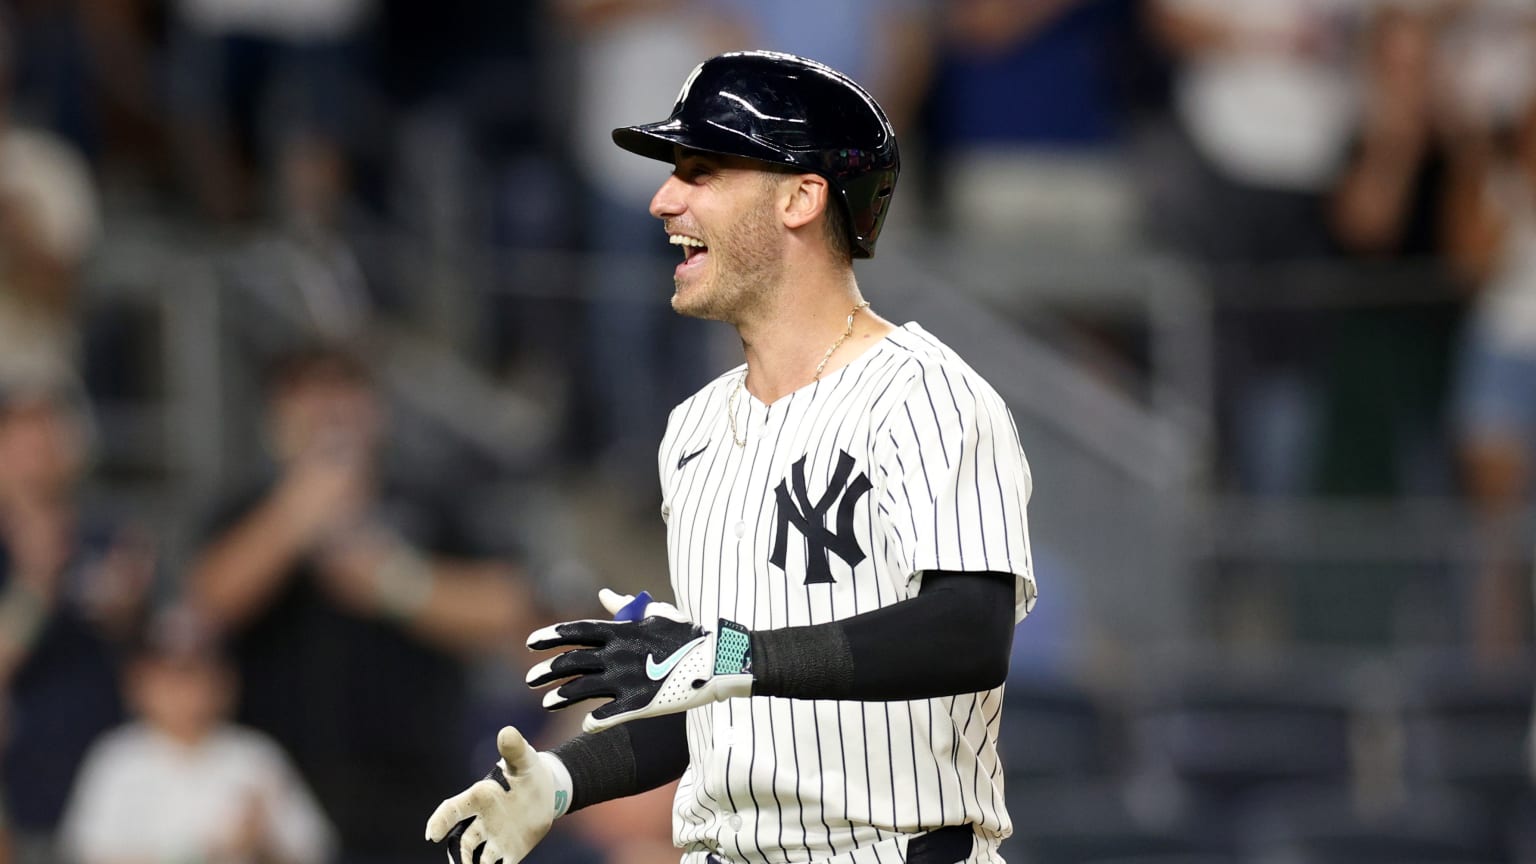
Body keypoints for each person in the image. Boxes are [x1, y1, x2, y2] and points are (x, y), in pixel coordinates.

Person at [426, 51, 1037, 864]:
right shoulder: (694, 430)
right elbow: (719, 700)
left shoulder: (925, 395)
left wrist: (729, 654)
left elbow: (968, 631)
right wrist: (562, 780)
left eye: (701, 170)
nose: (662, 199)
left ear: (800, 196)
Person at [187, 345, 539, 864]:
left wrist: (396, 583)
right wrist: (297, 513)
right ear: (275, 414)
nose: (327, 409)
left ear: (376, 409)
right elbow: (206, 603)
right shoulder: (246, 506)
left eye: (344, 390)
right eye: (306, 392)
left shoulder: (430, 498)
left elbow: (507, 606)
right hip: (275, 801)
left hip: (416, 789)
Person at [0, 383, 154, 864]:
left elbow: (166, 654)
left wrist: (130, 613)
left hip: (111, 788)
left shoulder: (106, 534)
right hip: (18, 792)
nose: (39, 452)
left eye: (50, 434)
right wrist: (34, 587)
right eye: (21, 438)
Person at [58, 610, 335, 864]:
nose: (181, 692)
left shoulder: (255, 755)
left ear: (224, 683)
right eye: (168, 677)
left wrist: (262, 843)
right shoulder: (116, 758)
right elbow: (88, 854)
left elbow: (314, 850)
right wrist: (200, 852)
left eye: (194, 676)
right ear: (138, 683)